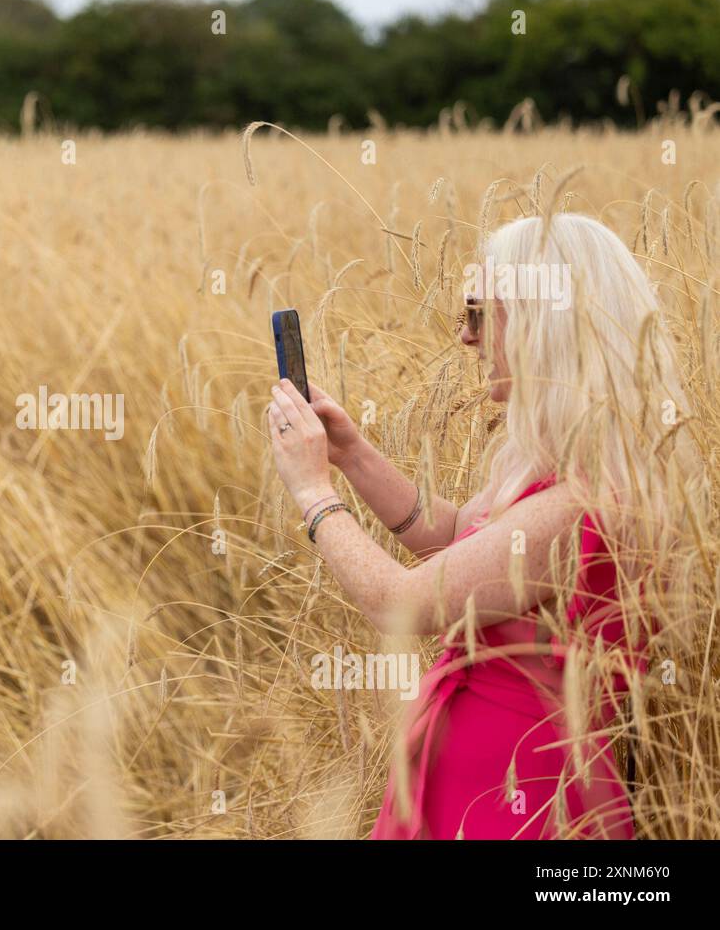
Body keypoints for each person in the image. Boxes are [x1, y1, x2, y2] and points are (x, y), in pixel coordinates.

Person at [267, 213, 702, 838]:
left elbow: (404, 605)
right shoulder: (575, 468)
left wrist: (313, 493)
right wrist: (353, 455)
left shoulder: (578, 505)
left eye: (476, 313)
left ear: (539, 323)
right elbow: (455, 538)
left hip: (521, 800)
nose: (464, 337)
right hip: (487, 786)